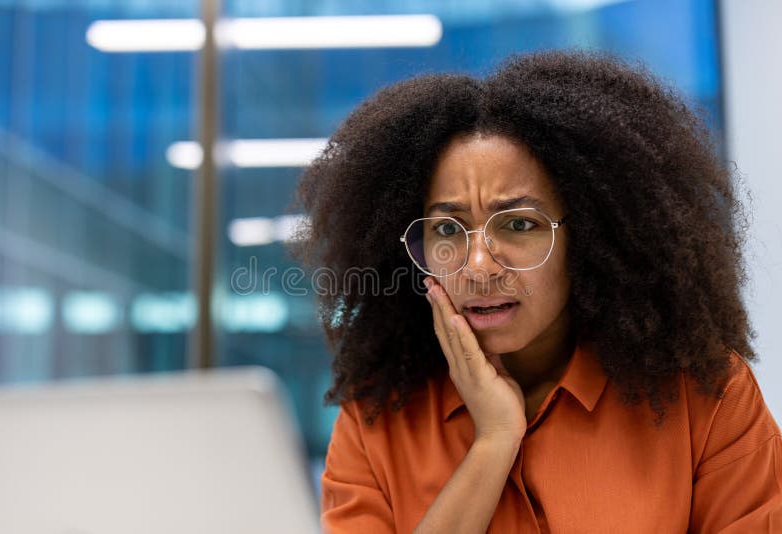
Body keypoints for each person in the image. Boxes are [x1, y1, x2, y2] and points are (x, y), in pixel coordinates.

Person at [290, 50, 782, 533]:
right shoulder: (375, 421)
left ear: (588, 236)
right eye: (447, 230)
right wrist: (493, 442)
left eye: (519, 224)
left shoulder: (706, 399)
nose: (478, 268)